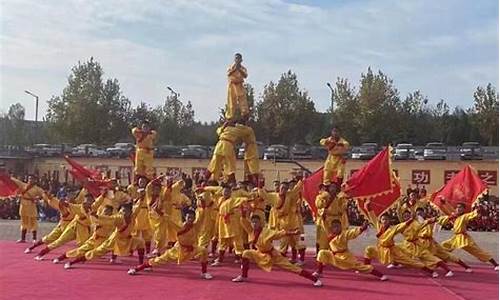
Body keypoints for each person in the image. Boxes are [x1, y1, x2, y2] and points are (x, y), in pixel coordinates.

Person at [231, 214, 322, 287]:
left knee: (292, 268)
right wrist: (243, 213)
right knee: (246, 253)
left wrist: (293, 232)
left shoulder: (267, 232)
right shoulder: (250, 230)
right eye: (253, 222)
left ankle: (315, 279)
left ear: (260, 223)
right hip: (260, 254)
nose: (254, 224)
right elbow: (243, 221)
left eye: (256, 222)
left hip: (273, 255)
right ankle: (243, 276)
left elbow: (279, 234)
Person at [127, 210, 213, 280]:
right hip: (178, 250)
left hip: (192, 249)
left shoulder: (196, 225)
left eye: (192, 217)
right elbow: (168, 219)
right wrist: (159, 211)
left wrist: (203, 202)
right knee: (158, 260)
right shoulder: (179, 226)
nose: (190, 219)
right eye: (188, 217)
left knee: (203, 250)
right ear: (185, 218)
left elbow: (202, 216)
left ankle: (204, 272)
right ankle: (136, 269)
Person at [362, 200, 438, 277]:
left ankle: (431, 271)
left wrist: (410, 220)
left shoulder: (393, 228)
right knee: (369, 249)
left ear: (389, 221)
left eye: (386, 220)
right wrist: (369, 208)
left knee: (411, 262)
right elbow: (373, 217)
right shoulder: (379, 226)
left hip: (392, 251)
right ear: (381, 221)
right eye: (383, 219)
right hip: (381, 249)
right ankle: (366, 268)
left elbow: (402, 226)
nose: (385, 221)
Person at [64, 199, 145, 269]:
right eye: (122, 211)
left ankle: (141, 264)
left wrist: (141, 198)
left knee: (140, 242)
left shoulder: (133, 216)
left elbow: (138, 207)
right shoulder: (118, 218)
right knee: (96, 252)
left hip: (128, 239)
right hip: (115, 240)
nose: (124, 212)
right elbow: (107, 219)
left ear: (130, 212)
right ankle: (72, 262)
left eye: (126, 211)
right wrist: (96, 216)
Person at [34, 192, 102, 261]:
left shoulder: (95, 207)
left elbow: (101, 199)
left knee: (83, 245)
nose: (88, 202)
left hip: (84, 230)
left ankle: (68, 258)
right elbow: (69, 205)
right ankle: (41, 253)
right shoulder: (80, 207)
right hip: (73, 226)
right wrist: (64, 203)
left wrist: (103, 193)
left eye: (89, 200)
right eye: (86, 201)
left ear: (93, 201)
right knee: (60, 241)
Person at [314, 219, 388, 281]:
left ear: (341, 227)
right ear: (332, 228)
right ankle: (319, 272)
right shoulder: (329, 233)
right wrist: (323, 216)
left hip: (345, 257)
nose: (336, 228)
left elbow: (352, 233)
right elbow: (324, 224)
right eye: (334, 227)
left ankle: (380, 275)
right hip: (333, 256)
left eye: (338, 226)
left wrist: (362, 228)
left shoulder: (344, 234)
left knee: (360, 267)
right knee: (321, 253)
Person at [437, 200, 499, 270]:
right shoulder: (455, 215)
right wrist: (444, 202)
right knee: (444, 246)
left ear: (463, 209)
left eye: (460, 207)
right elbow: (449, 209)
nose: (458, 209)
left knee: (478, 251)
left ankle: (496, 264)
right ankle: (442, 261)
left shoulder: (465, 216)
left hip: (464, 238)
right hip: (456, 238)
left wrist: (478, 208)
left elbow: (473, 214)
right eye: (457, 207)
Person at [258, 180, 306, 264]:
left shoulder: (290, 195)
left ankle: (300, 259)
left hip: (294, 222)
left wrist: (301, 180)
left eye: (286, 188)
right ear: (279, 188)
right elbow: (264, 195)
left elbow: (297, 189)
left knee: (297, 241)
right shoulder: (273, 196)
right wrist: (260, 187)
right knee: (284, 242)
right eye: (282, 187)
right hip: (283, 223)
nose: (284, 190)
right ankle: (283, 260)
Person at [398, 210, 454, 277]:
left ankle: (447, 270)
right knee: (396, 249)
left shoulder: (415, 223)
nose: (406, 217)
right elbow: (395, 228)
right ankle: (396, 263)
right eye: (405, 216)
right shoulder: (402, 225)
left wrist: (429, 221)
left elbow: (423, 224)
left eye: (408, 216)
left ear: (411, 216)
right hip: (407, 244)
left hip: (417, 245)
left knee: (430, 258)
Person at [415, 207, 472, 272]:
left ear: (424, 213)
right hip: (421, 242)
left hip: (430, 243)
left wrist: (451, 217)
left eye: (421, 213)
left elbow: (441, 219)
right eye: (418, 213)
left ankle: (464, 267)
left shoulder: (431, 220)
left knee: (444, 255)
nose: (419, 215)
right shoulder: (415, 222)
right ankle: (441, 268)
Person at [10, 175, 45, 243]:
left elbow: (43, 195)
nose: (30, 180)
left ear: (35, 180)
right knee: (23, 222)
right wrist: (7, 177)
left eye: (32, 179)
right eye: (29, 178)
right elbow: (15, 181)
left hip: (31, 206)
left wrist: (37, 198)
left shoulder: (37, 189)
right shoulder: (23, 185)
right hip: (23, 206)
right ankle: (23, 238)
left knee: (33, 222)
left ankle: (34, 238)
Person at [316, 183, 348, 251]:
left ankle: (335, 254)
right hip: (326, 220)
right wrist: (324, 199)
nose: (333, 188)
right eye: (331, 187)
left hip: (336, 220)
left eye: (334, 187)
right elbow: (319, 205)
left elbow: (343, 208)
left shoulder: (340, 197)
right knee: (324, 239)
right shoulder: (321, 196)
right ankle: (322, 255)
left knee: (336, 239)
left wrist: (344, 198)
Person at [225, 53, 248, 121]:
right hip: (232, 86)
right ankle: (230, 117)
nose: (237, 60)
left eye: (238, 58)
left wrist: (239, 69)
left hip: (240, 85)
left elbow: (245, 75)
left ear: (241, 60)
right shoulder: (231, 67)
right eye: (236, 58)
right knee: (231, 102)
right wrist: (235, 69)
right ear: (234, 59)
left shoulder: (243, 68)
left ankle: (244, 115)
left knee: (243, 100)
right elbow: (228, 74)